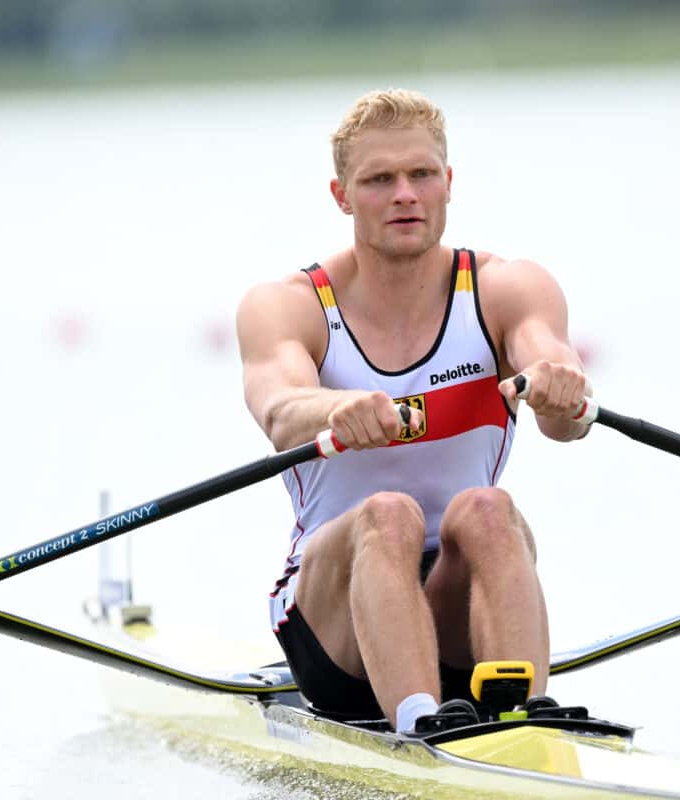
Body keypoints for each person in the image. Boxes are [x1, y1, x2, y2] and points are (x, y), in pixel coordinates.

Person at [236, 88, 590, 733]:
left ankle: (528, 720)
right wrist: (337, 407)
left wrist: (558, 388)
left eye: (421, 174)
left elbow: (561, 414)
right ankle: (418, 723)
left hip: (461, 604)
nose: (405, 194)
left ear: (447, 183)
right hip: (335, 622)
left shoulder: (507, 288)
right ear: (342, 195)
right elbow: (281, 409)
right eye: (379, 179)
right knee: (386, 513)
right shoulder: (288, 305)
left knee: (487, 508)